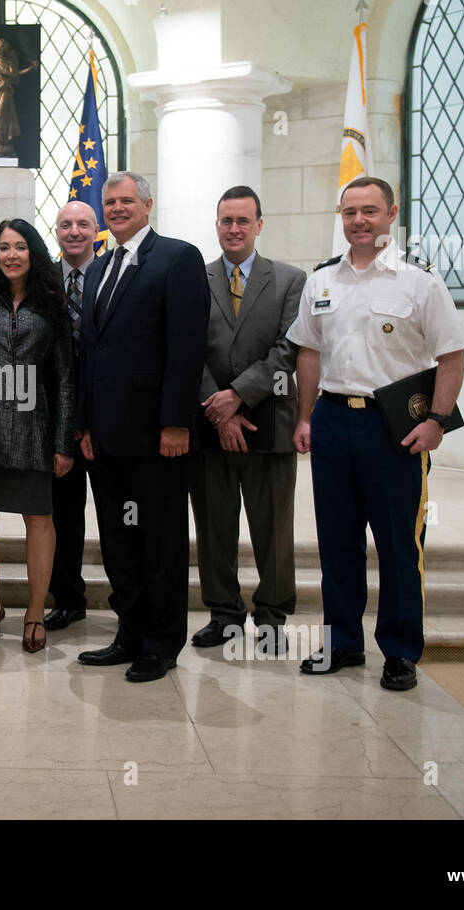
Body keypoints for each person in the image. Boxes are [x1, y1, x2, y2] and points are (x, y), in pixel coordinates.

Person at [288, 176, 464, 691]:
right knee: (337, 542)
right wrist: (305, 417)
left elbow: (452, 355)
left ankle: (400, 649)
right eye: (349, 212)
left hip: (394, 430)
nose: (359, 221)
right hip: (332, 421)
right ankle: (343, 642)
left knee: (398, 544)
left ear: (391, 214)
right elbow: (307, 351)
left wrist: (436, 421)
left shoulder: (420, 282)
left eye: (369, 211)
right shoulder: (322, 280)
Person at [76, 172, 208, 683]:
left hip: (158, 437)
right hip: (106, 437)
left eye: (127, 200)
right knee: (118, 540)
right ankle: (128, 631)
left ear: (148, 205)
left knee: (159, 540)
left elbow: (187, 347)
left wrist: (177, 422)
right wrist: (85, 423)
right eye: (109, 202)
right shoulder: (98, 267)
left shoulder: (177, 258)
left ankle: (161, 641)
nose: (117, 208)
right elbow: (92, 352)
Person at [189, 186, 305, 655]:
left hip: (270, 421)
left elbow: (289, 348)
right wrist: (218, 410)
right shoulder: (196, 278)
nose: (233, 229)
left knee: (272, 527)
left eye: (242, 221)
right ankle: (223, 613)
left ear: (259, 224)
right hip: (209, 422)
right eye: (225, 221)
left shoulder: (290, 280)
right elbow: (187, 347)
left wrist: (237, 396)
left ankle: (273, 617)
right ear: (216, 225)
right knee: (214, 525)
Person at [0, 219, 76, 653]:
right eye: (4, 247)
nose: (12, 255)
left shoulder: (52, 305)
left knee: (39, 521)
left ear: (34, 254)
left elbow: (64, 377)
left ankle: (34, 611)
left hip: (36, 429)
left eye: (21, 247)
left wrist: (64, 441)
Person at [46, 199, 99, 632]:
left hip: (107, 418)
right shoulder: (42, 279)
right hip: (55, 417)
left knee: (122, 512)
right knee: (62, 513)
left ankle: (129, 594)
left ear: (96, 229)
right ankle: (67, 597)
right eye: (66, 224)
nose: (74, 231)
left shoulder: (117, 274)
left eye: (83, 224)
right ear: (57, 230)